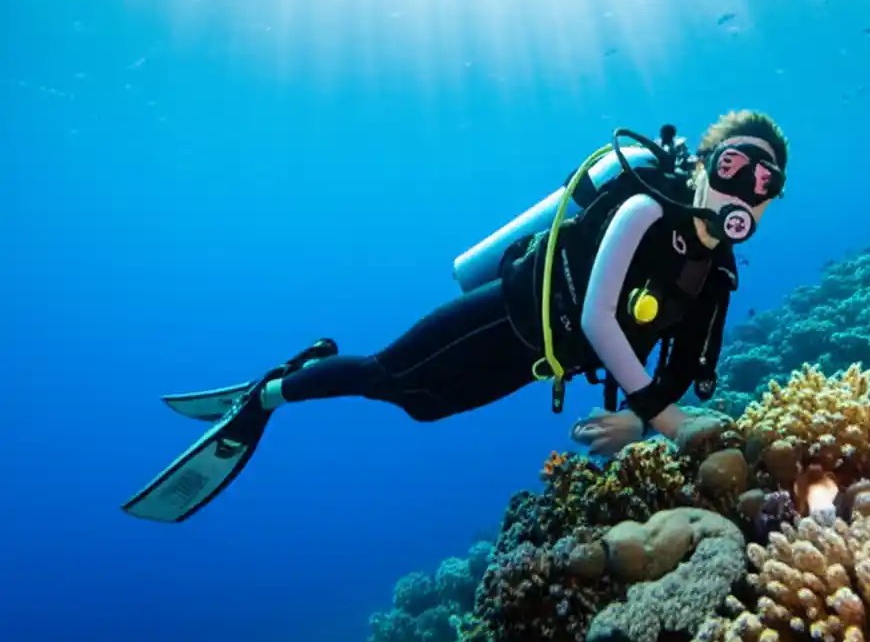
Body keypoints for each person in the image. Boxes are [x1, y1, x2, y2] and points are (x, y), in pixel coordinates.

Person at [123, 110, 789, 523]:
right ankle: (268, 393)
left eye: (765, 186)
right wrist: (666, 423)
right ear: (704, 165)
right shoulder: (645, 209)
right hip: (506, 312)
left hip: (538, 362)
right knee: (389, 373)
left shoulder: (717, 276)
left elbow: (679, 370)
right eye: (735, 168)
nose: (745, 195)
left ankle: (305, 368)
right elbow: (595, 318)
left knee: (424, 407)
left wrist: (643, 415)